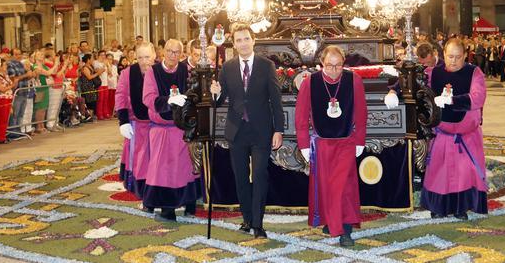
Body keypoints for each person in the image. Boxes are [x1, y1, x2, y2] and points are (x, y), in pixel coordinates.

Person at [210, 24, 284, 239]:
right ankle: (247, 218)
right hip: (236, 131)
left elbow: (275, 101)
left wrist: (278, 130)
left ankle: (258, 224)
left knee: (259, 175)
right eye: (239, 40)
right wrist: (215, 93)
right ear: (234, 44)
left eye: (246, 39)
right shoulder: (227, 68)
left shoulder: (266, 65)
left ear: (253, 41)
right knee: (241, 177)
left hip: (261, 131)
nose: (243, 43)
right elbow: (219, 101)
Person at [295, 45, 367, 247]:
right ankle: (330, 221)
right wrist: (303, 145)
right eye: (329, 66)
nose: (334, 70)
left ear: (343, 64)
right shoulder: (310, 83)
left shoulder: (354, 80)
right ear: (321, 64)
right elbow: (301, 116)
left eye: (338, 66)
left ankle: (344, 229)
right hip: (322, 144)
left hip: (346, 142)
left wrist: (359, 140)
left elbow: (361, 113)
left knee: (344, 187)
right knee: (327, 187)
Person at [419, 38, 488, 220]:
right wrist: (393, 90)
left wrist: (453, 100)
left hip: (467, 137)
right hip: (441, 134)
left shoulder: (475, 73)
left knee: (465, 175)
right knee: (438, 174)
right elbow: (412, 81)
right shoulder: (433, 72)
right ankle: (437, 207)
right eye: (450, 56)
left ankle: (461, 208)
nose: (454, 61)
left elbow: (478, 97)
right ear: (443, 55)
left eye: (458, 57)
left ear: (465, 56)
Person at [141, 39, 200, 222]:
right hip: (161, 130)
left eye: (176, 52)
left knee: (184, 169)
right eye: (169, 51)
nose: (172, 55)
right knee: (162, 171)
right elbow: (148, 98)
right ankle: (167, 209)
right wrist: (168, 101)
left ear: (181, 54)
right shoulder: (153, 72)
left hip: (181, 129)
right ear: (162, 52)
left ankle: (189, 204)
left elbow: (194, 94)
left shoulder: (187, 71)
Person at [116, 42, 156, 205]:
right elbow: (121, 95)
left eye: (147, 57)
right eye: (140, 57)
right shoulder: (127, 73)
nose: (144, 61)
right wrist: (123, 121)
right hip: (136, 123)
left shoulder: (160, 70)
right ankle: (140, 187)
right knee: (139, 157)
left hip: (157, 123)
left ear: (154, 56)